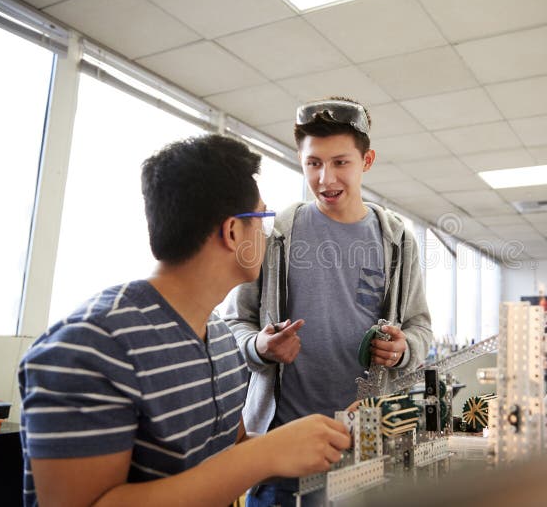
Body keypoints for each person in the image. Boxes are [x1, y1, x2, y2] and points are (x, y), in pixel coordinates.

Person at [18, 135, 350, 507]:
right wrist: (265, 453)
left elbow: (231, 451)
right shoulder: (87, 346)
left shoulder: (222, 340)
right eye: (262, 219)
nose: (267, 236)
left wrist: (323, 442)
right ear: (233, 231)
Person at [223, 97, 432, 505]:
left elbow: (420, 326)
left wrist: (404, 348)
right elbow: (234, 324)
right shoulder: (278, 235)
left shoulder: (397, 241)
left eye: (341, 162)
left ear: (366, 160)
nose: (325, 178)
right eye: (313, 163)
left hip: (366, 450)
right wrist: (260, 347)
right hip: (281, 452)